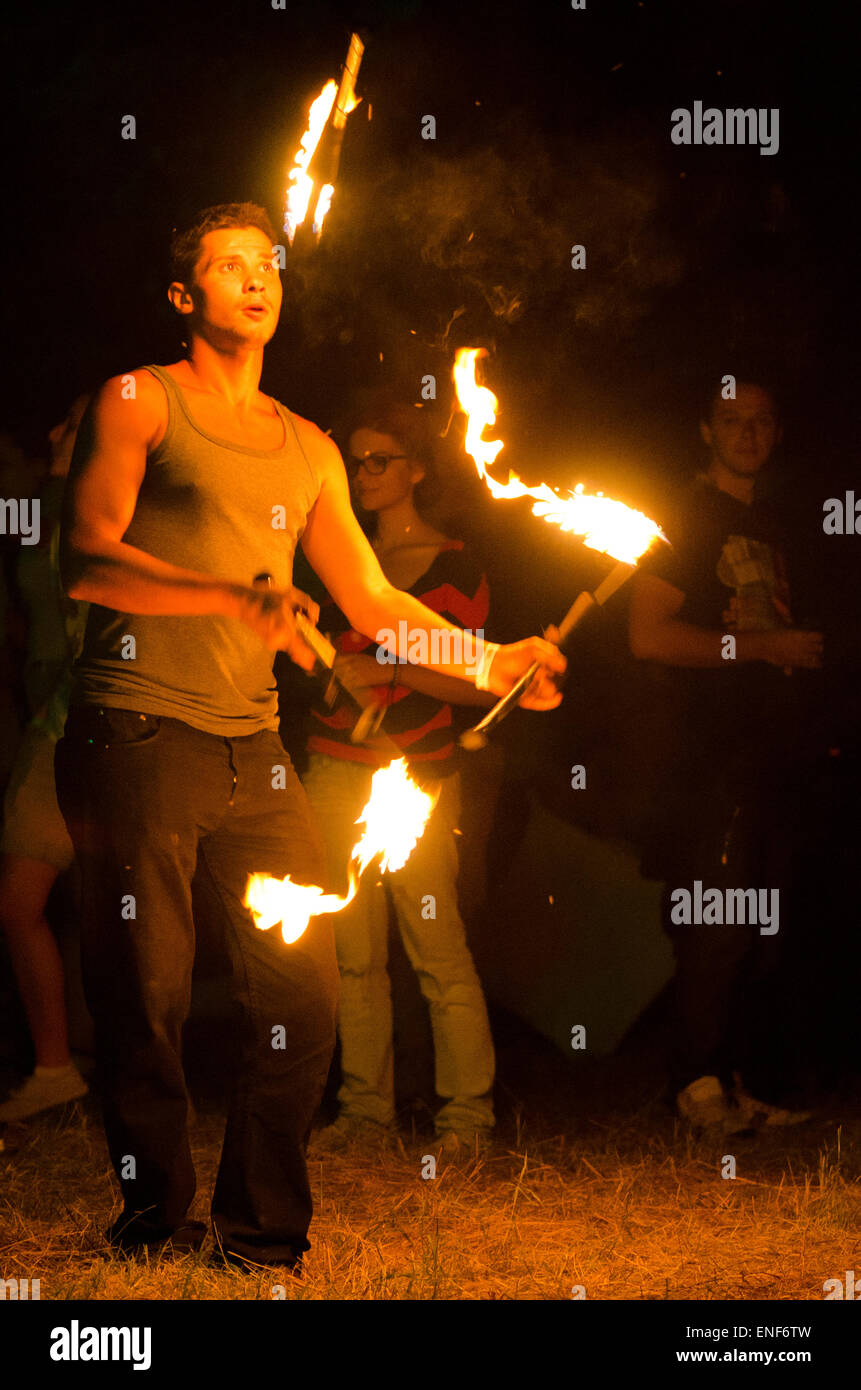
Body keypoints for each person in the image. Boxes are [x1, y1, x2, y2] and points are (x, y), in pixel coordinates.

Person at [54, 203, 566, 1267]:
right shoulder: (140, 401)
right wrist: (230, 596)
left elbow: (375, 601)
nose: (256, 278)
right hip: (138, 730)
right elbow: (88, 558)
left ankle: (259, 1236)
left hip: (252, 746)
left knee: (304, 995)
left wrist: (491, 660)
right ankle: (155, 1224)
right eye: (228, 264)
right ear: (184, 295)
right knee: (143, 999)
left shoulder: (309, 445)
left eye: (268, 265)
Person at [301, 400, 498, 1158]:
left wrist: (386, 666)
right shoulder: (341, 565)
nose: (362, 474)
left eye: (379, 460)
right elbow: (316, 662)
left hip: (418, 777)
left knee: (435, 948)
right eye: (356, 461)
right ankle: (363, 1114)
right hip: (335, 770)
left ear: (416, 470)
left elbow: (478, 685)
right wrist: (328, 677)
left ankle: (465, 1119)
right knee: (351, 955)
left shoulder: (453, 568)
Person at [629, 376, 823, 1134]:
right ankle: (692, 1084)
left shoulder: (772, 521)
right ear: (703, 430)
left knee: (765, 927)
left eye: (761, 421)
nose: (747, 433)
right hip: (703, 754)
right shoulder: (683, 515)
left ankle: (740, 1080)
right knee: (718, 922)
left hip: (773, 751)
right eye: (730, 420)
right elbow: (647, 635)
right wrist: (762, 645)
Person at [0, 395, 91, 1122]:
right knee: (29, 902)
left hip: (79, 721)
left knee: (31, 901)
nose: (52, 428)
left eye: (68, 423)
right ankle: (60, 1063)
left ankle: (71, 1064)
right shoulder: (41, 508)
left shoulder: (92, 508)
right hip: (48, 722)